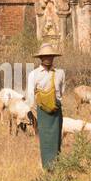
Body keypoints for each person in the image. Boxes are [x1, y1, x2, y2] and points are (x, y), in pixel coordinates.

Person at [25, 41, 65, 169]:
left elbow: (61, 92)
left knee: (56, 138)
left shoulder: (60, 73)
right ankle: (46, 167)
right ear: (41, 58)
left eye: (50, 56)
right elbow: (30, 94)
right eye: (45, 56)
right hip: (41, 111)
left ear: (53, 57)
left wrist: (56, 103)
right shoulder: (34, 74)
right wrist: (33, 112)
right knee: (45, 140)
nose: (48, 59)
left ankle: (56, 166)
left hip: (56, 110)